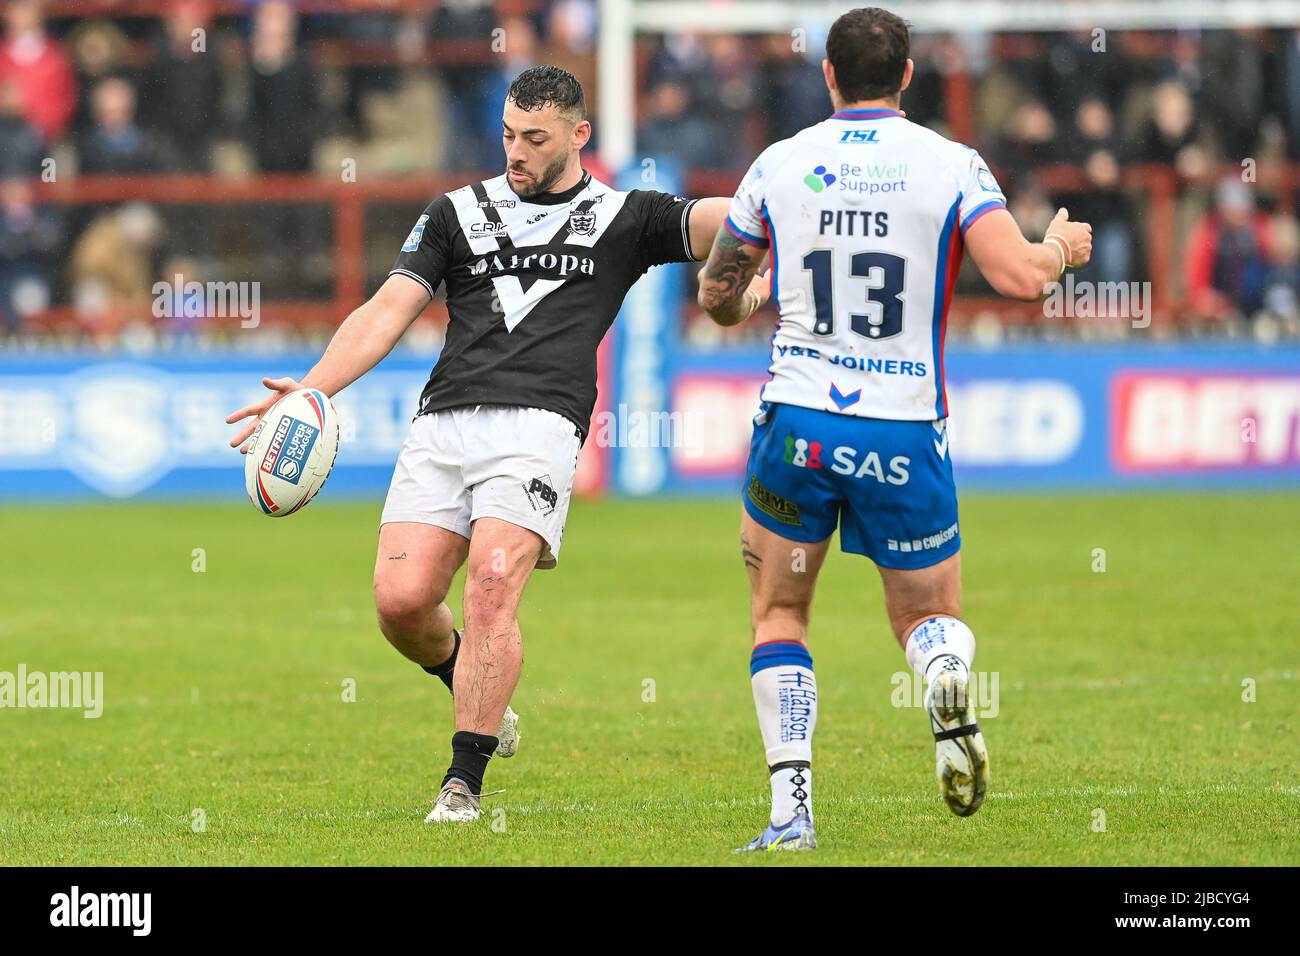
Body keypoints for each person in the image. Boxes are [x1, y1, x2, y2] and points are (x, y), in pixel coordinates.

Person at [227, 65, 736, 823]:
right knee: (401, 603)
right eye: (508, 136)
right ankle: (478, 686)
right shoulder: (457, 212)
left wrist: (780, 222)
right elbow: (388, 308)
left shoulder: (625, 217)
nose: (517, 152)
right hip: (444, 423)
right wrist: (312, 390)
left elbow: (733, 217)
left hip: (540, 426)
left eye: (535, 139)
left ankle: (462, 783)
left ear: (578, 135)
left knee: (493, 582)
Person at [696, 7, 1091, 851]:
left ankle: (791, 813)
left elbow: (715, 294)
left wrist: (746, 299)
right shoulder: (951, 164)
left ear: (829, 76)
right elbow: (1021, 277)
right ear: (908, 75)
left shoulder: (781, 163)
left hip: (798, 425)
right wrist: (1060, 247)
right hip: (903, 430)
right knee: (926, 615)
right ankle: (944, 674)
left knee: (780, 615)